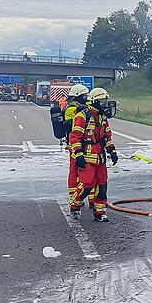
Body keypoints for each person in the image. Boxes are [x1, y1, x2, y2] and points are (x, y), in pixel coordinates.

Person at [68, 87, 118, 222]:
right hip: (87, 156)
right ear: (94, 101)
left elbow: (107, 136)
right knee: (86, 185)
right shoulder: (82, 115)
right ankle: (75, 205)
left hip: (100, 156)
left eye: (105, 101)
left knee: (102, 185)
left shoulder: (102, 118)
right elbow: (75, 137)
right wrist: (78, 155)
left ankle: (99, 212)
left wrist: (112, 151)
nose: (105, 105)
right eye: (102, 101)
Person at [54, 84, 90, 214]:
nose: (86, 98)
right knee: (75, 170)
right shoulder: (70, 109)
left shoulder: (81, 107)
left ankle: (91, 200)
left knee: (88, 171)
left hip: (86, 143)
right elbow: (70, 126)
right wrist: (81, 113)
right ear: (78, 96)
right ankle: (73, 197)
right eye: (84, 96)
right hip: (74, 144)